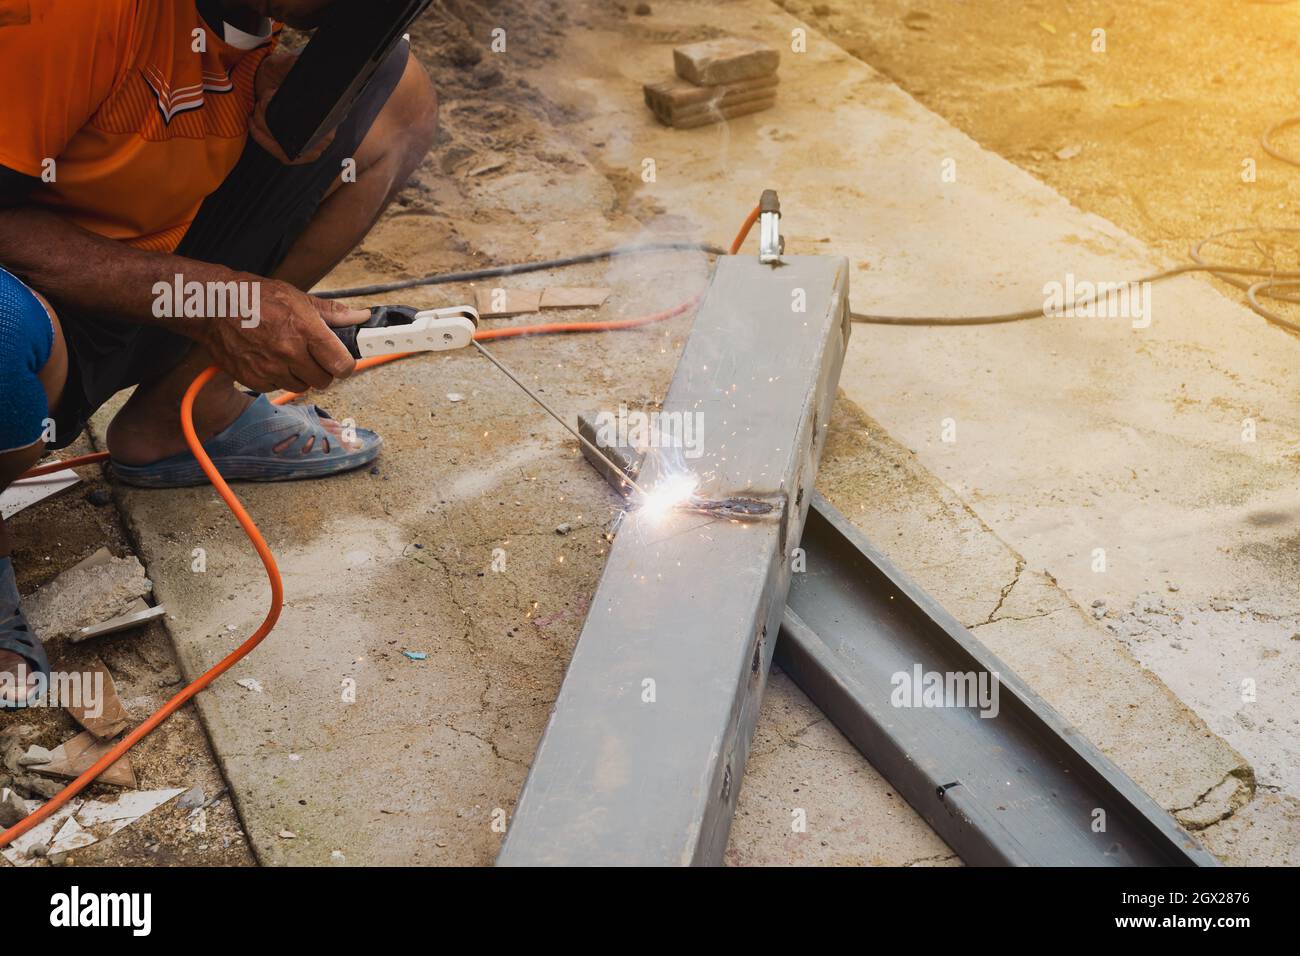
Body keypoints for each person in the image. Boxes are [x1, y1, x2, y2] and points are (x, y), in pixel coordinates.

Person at [0, 0, 440, 706]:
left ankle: (181, 413)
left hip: (148, 267)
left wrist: (294, 72)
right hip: (34, 302)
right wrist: (215, 299)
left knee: (397, 93)